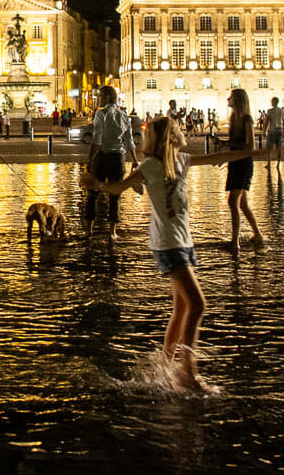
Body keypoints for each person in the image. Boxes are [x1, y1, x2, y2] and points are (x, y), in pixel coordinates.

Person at [81, 115, 258, 393]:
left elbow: (217, 157)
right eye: (177, 130)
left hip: (184, 242)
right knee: (198, 305)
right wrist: (98, 185)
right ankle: (187, 373)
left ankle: (166, 366)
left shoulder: (181, 161)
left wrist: (251, 152)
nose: (182, 131)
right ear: (170, 137)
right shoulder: (151, 166)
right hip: (168, 244)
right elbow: (120, 187)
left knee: (182, 309)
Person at [83, 85, 138, 230]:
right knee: (115, 195)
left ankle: (89, 228)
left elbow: (97, 138)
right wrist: (135, 160)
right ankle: (113, 231)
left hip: (103, 157)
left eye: (100, 96)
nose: (98, 99)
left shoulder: (101, 114)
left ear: (107, 97)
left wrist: (90, 159)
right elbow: (129, 141)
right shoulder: (124, 116)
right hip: (118, 158)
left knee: (93, 193)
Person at [225, 88, 265, 249]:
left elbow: (250, 146)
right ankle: (258, 234)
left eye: (231, 98)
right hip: (235, 162)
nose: (228, 99)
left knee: (232, 201)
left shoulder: (247, 119)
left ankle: (235, 242)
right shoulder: (235, 119)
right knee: (242, 204)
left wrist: (229, 144)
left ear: (238, 101)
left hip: (243, 163)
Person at [265, 96, 284, 168]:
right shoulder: (283, 112)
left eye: (272, 101)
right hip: (279, 131)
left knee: (269, 148)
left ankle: (268, 164)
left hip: (272, 131)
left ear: (274, 102)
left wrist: (264, 131)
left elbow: (267, 122)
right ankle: (278, 164)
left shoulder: (270, 111)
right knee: (279, 148)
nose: (271, 102)